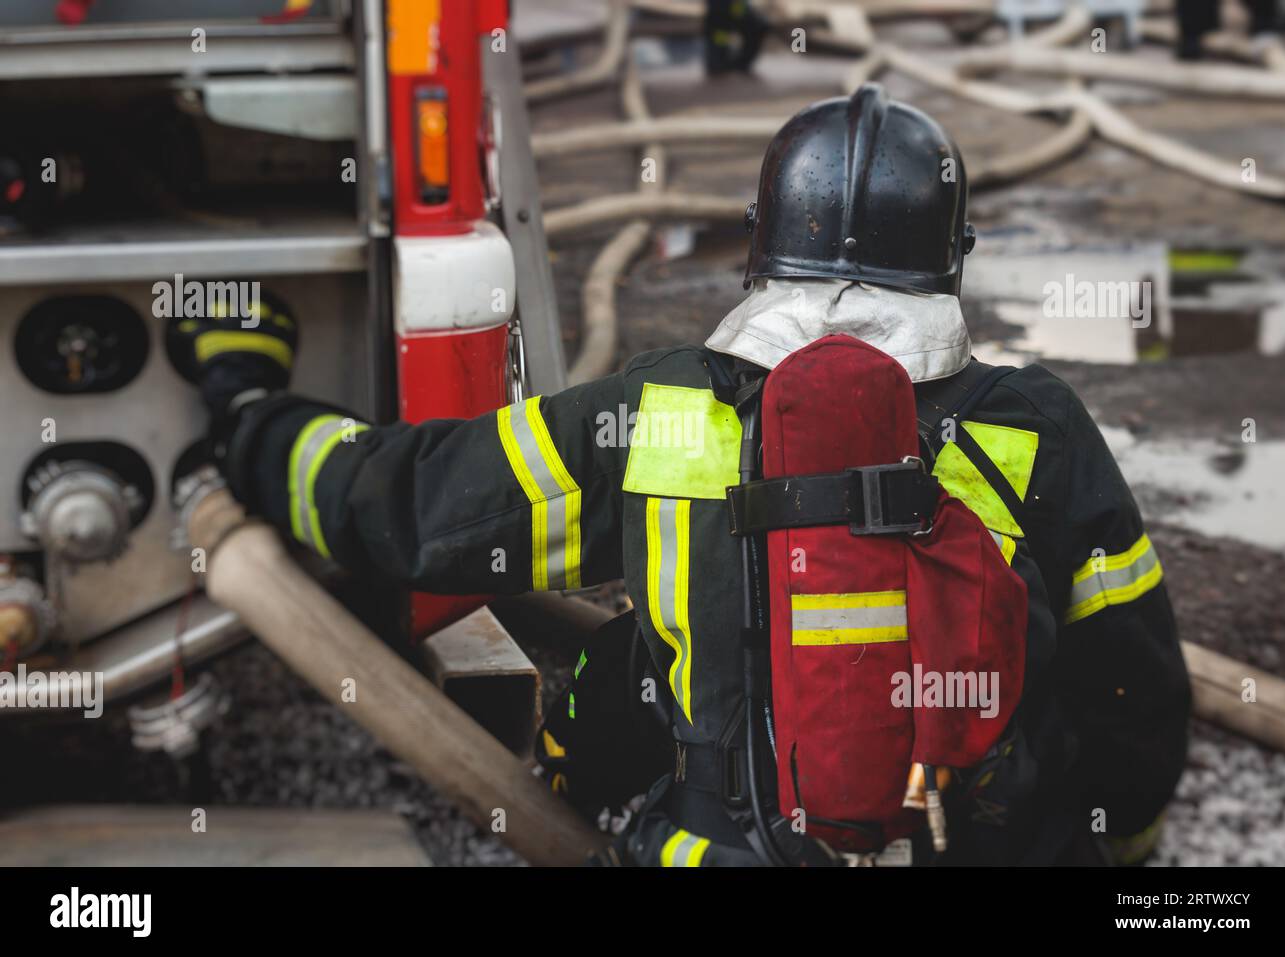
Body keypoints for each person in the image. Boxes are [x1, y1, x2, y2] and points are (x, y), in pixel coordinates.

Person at [173, 84, 1190, 867]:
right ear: (950, 257)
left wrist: (250, 412)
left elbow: (402, 506)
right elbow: (1132, 695)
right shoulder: (1034, 428)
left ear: (762, 245)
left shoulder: (651, 412)